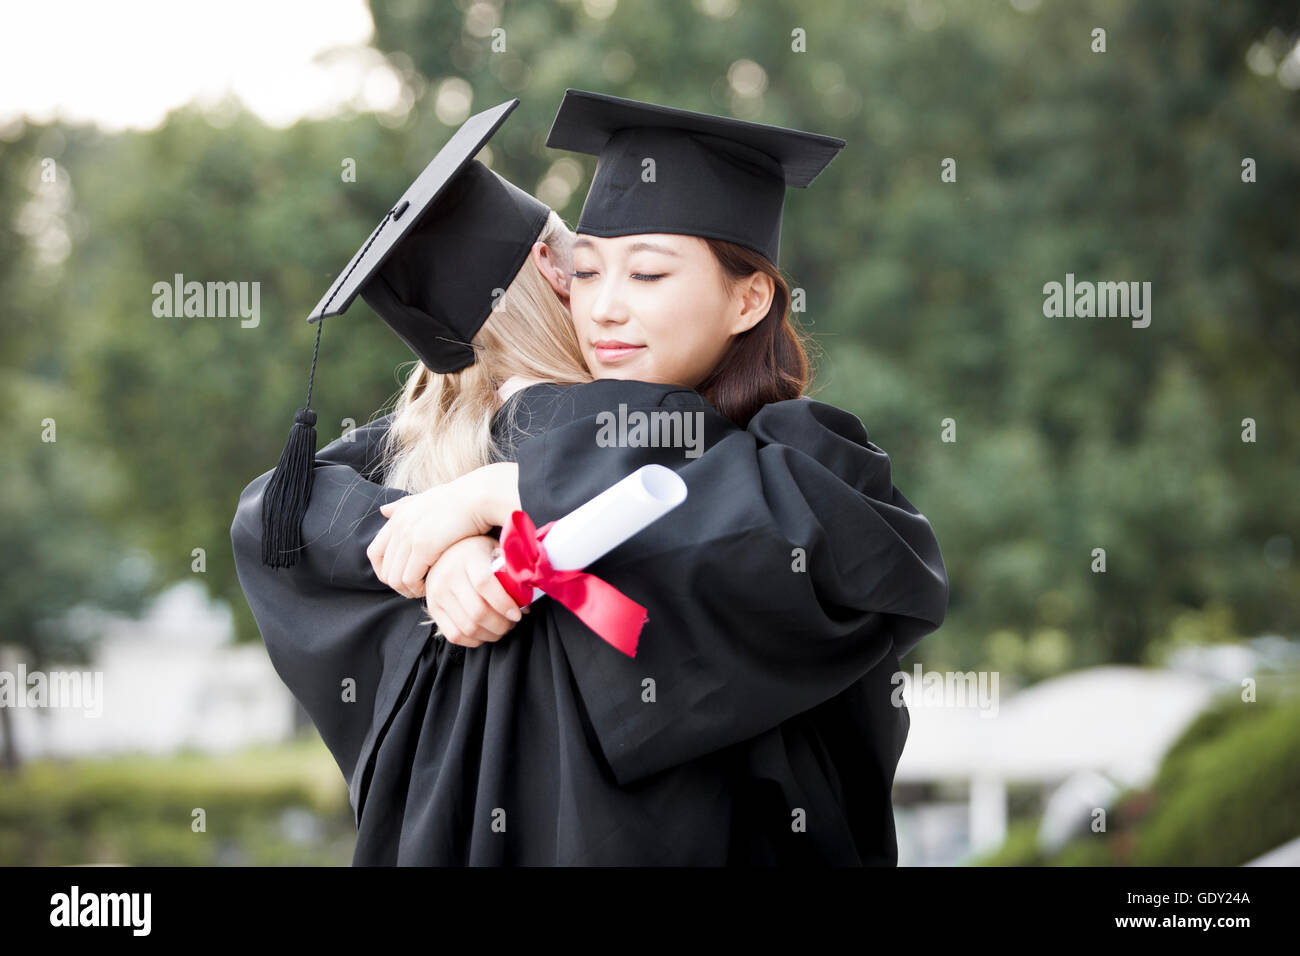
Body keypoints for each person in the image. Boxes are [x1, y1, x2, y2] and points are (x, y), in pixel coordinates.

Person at [232, 92, 949, 865]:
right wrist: (444, 551)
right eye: (587, 272)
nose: (604, 309)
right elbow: (281, 513)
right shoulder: (462, 455)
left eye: (646, 274)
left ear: (749, 298)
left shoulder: (794, 456)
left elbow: (848, 559)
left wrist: (495, 496)